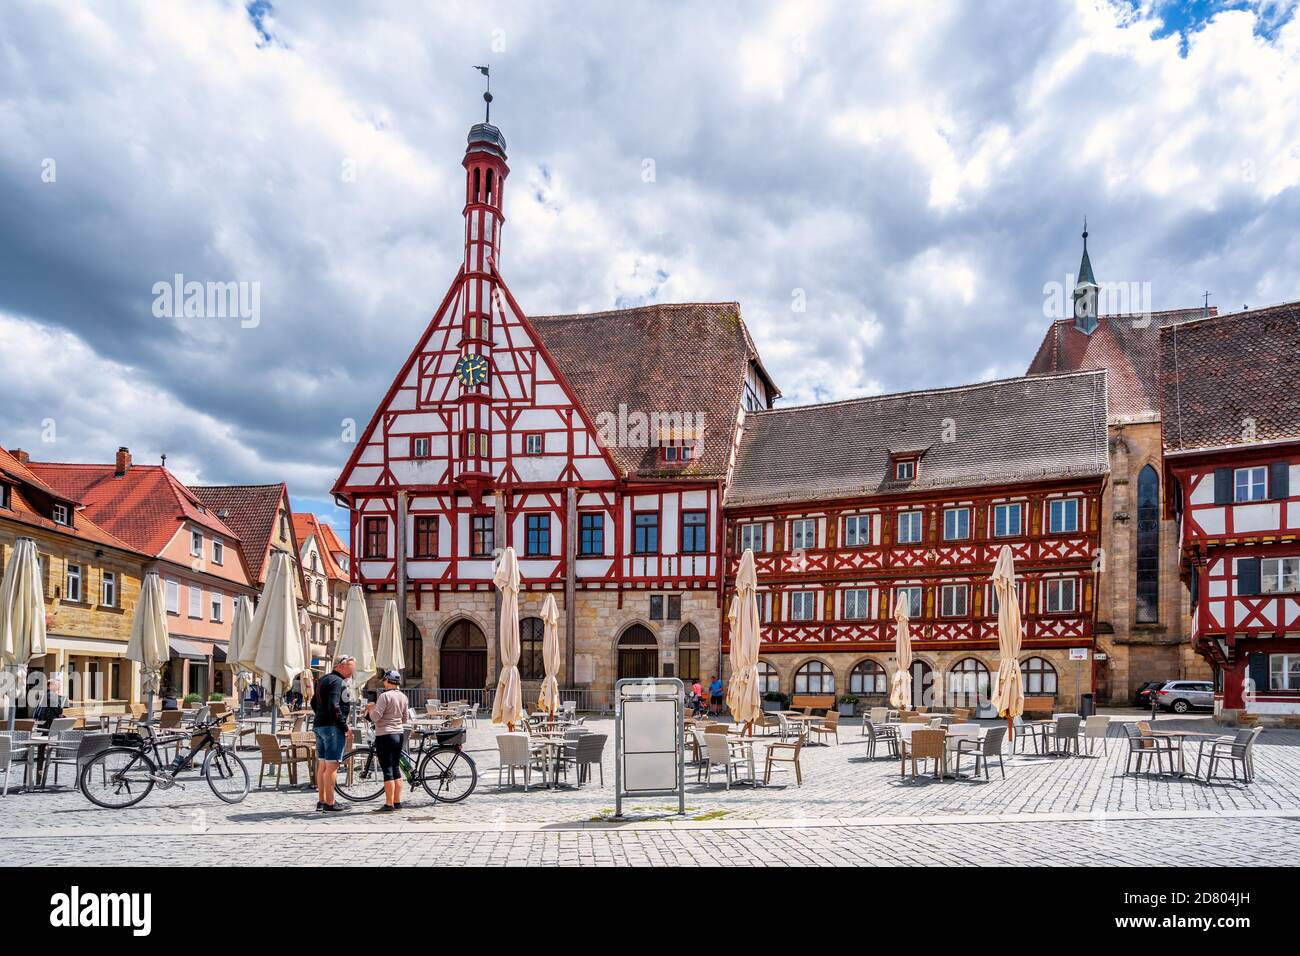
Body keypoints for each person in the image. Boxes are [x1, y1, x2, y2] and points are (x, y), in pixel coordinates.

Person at [312, 655, 355, 812]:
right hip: (332, 728)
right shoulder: (338, 682)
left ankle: (322, 800)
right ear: (340, 666)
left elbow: (312, 702)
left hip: (319, 726)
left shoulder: (323, 679)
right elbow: (334, 705)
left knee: (323, 764)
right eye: (351, 666)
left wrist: (320, 715)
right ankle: (330, 803)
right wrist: (344, 726)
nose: (353, 670)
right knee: (332, 766)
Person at [366, 670, 410, 811]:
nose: (383, 682)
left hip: (385, 735)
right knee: (396, 768)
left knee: (387, 770)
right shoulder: (403, 696)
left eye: (384, 680)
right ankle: (397, 801)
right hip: (399, 734)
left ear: (387, 680)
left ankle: (388, 804)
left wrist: (371, 709)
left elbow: (375, 717)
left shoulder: (385, 696)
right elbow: (405, 719)